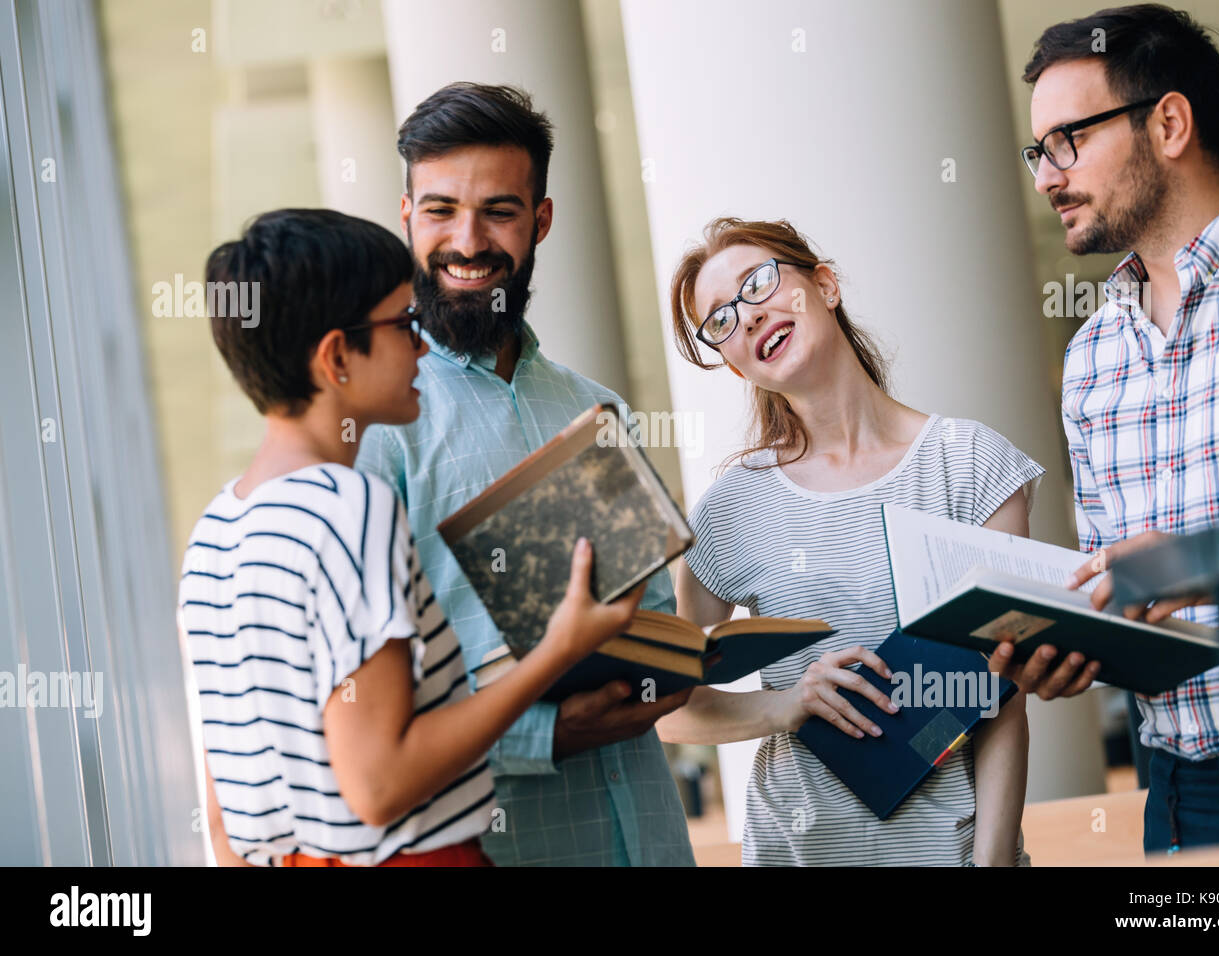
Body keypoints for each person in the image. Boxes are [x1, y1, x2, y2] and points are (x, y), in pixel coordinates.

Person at [181, 208, 644, 867]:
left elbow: (224, 818)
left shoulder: (215, 533)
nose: (423, 347)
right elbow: (380, 783)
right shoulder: (350, 508)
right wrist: (559, 648)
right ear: (338, 355)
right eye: (403, 325)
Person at [354, 83, 695, 866]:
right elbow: (377, 717)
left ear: (540, 220)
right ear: (407, 217)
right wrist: (546, 731)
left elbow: (654, 625)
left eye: (498, 212)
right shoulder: (377, 430)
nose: (467, 241)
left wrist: (672, 674)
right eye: (440, 210)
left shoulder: (596, 407)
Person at [999, 4, 1219, 852]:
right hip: (1175, 796)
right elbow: (1133, 598)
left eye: (1068, 141)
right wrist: (1074, 646)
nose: (1047, 176)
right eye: (1038, 152)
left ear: (1168, 122)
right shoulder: (1092, 357)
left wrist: (1203, 562)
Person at [655, 217, 1039, 866]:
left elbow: (1001, 693)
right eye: (720, 319)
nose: (745, 317)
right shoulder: (730, 508)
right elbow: (670, 707)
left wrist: (994, 859)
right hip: (796, 850)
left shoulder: (972, 464)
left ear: (825, 285)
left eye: (758, 284)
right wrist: (785, 705)